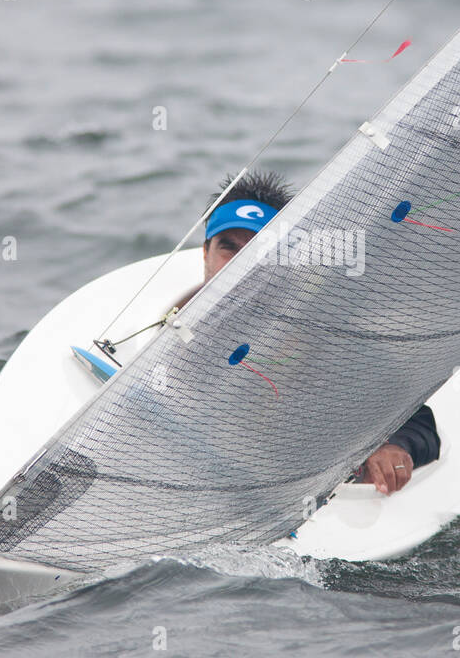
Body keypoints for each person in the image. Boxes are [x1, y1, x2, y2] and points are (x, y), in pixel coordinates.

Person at [170, 171, 441, 495]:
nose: (242, 265)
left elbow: (417, 419)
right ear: (206, 254)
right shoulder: (175, 331)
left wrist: (394, 446)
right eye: (229, 247)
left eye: (259, 249)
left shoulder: (322, 335)